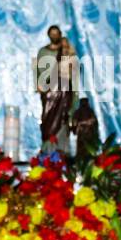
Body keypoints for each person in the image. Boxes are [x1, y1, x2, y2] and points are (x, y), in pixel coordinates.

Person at [36, 25, 77, 153]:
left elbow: (74, 72)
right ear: (48, 35)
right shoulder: (43, 52)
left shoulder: (66, 50)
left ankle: (61, 152)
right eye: (51, 34)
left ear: (60, 34)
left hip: (64, 91)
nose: (54, 36)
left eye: (56, 33)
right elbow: (38, 71)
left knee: (63, 118)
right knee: (48, 120)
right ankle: (47, 149)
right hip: (49, 92)